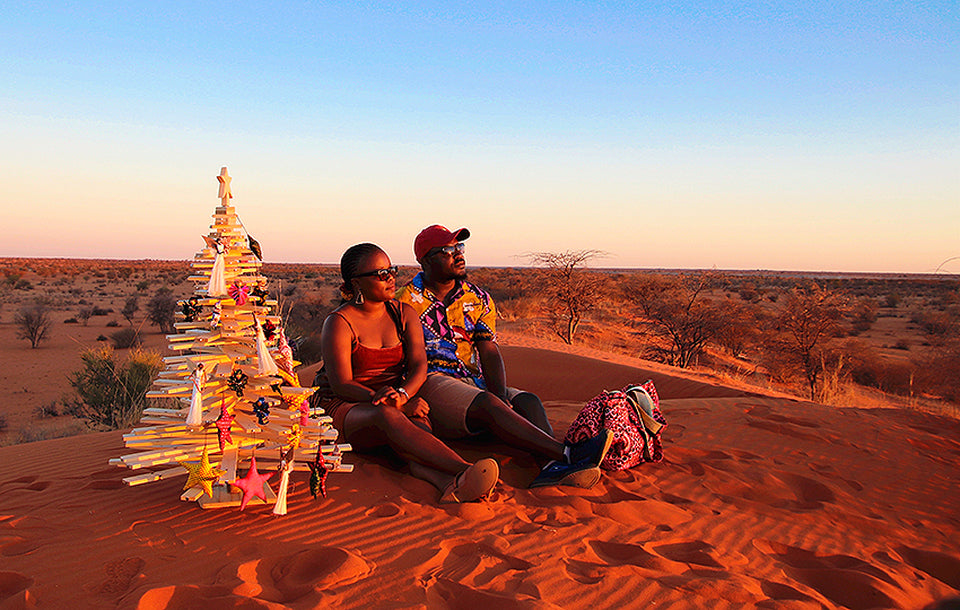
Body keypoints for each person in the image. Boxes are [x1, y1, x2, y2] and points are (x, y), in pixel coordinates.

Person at [397, 225, 612, 488]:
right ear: (425, 260)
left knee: (527, 401)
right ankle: (568, 454)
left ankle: (549, 467)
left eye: (460, 247)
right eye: (447, 250)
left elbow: (488, 349)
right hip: (430, 380)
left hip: (472, 381)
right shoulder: (403, 302)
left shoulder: (478, 298)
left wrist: (500, 395)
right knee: (488, 403)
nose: (458, 254)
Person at [312, 243, 498, 503]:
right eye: (381, 274)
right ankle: (465, 469)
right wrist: (395, 404)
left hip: (395, 399)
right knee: (388, 417)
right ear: (356, 283)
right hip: (346, 405)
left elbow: (419, 365)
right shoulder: (339, 322)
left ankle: (450, 485)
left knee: (416, 434)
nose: (390, 278)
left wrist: (403, 395)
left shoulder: (403, 314)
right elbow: (342, 384)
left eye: (392, 270)